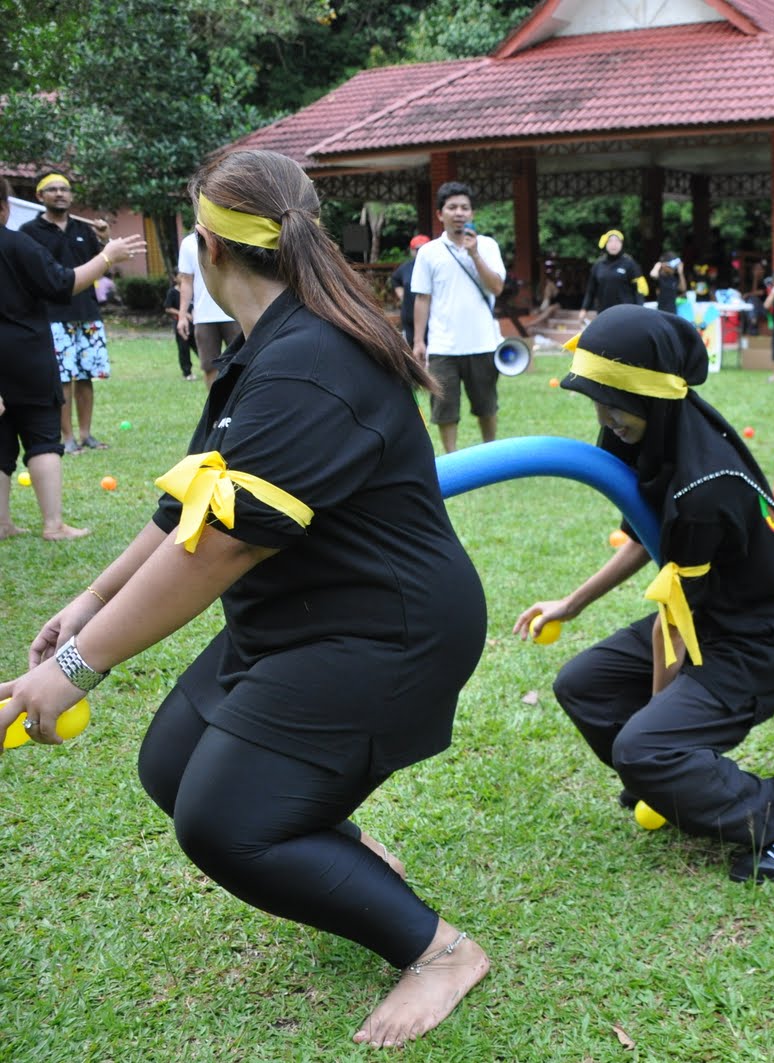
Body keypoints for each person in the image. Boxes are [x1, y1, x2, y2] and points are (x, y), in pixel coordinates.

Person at [0, 149, 490, 1047]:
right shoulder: (268, 346)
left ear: (208, 246)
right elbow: (196, 498)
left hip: (386, 629)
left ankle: (441, 951)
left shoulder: (310, 360)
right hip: (301, 613)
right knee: (171, 765)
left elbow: (224, 543)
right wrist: (92, 596)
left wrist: (75, 667)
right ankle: (342, 850)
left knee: (223, 824)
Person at [515, 305, 774, 882]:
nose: (605, 417)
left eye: (615, 401)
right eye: (596, 401)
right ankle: (670, 780)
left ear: (652, 394)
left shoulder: (703, 486)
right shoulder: (651, 432)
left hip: (759, 641)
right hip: (708, 614)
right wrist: (571, 604)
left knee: (643, 746)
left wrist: (654, 726)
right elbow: (648, 536)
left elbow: (674, 623)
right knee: (583, 686)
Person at [0, 176, 142, 541]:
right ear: (4, 208)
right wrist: (108, 256)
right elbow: (62, 283)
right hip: (25, 351)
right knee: (42, 436)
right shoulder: (17, 242)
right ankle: (53, 525)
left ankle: (2, 524)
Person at [21, 173, 115, 452]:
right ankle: (68, 438)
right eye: (52, 189)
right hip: (52, 316)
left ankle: (86, 434)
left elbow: (103, 266)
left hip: (88, 314)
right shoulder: (29, 232)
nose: (60, 193)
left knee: (86, 377)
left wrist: (105, 240)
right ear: (40, 196)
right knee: (62, 379)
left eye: (64, 189)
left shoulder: (85, 229)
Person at [411, 181, 506, 454]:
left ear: (472, 213)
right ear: (440, 214)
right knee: (445, 409)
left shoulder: (487, 246)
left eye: (465, 207)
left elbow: (496, 287)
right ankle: (452, 459)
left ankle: (491, 454)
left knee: (487, 406)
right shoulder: (429, 252)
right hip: (443, 345)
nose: (459, 213)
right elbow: (422, 298)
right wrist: (418, 341)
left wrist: (474, 253)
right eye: (452, 207)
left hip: (483, 342)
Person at [177, 226, 242, 389]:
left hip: (234, 313)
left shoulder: (231, 235)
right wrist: (182, 316)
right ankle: (215, 403)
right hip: (204, 316)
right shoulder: (189, 243)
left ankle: (241, 402)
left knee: (242, 364)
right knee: (209, 367)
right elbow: (186, 282)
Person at [580, 230, 645, 322]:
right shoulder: (598, 265)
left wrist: (640, 310)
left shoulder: (630, 264)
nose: (613, 244)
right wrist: (584, 309)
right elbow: (590, 290)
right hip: (604, 313)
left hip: (626, 313)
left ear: (622, 244)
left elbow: (639, 290)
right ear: (605, 244)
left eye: (617, 241)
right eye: (610, 241)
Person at [389, 233, 430, 347]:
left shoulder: (435, 266)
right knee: (412, 348)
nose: (421, 252)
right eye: (418, 250)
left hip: (431, 317)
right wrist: (401, 294)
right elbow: (395, 279)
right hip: (409, 315)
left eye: (424, 249)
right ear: (412, 251)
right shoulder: (405, 268)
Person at [163, 276, 197, 381]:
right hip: (181, 324)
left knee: (200, 347)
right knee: (183, 349)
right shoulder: (172, 292)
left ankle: (212, 369)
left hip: (194, 324)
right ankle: (187, 373)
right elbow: (168, 308)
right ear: (175, 278)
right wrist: (183, 314)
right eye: (180, 275)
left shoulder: (192, 291)